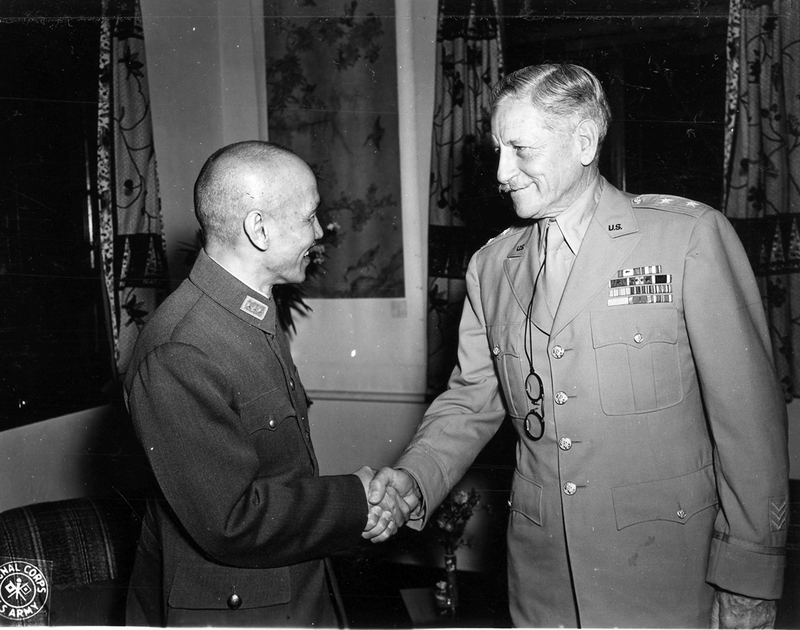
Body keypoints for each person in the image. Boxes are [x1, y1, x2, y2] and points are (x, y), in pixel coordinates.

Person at [369, 64, 789, 628]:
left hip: (664, 571)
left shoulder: (686, 239)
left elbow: (751, 424)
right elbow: (472, 398)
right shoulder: (492, 267)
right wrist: (413, 479)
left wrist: (749, 578)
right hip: (542, 579)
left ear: (584, 142)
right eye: (497, 148)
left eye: (521, 149)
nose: (501, 171)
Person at [124, 141, 411, 626]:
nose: (319, 233)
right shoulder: (182, 349)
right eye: (309, 217)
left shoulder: (248, 312)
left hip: (290, 587)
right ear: (258, 229)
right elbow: (231, 519)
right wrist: (358, 501)